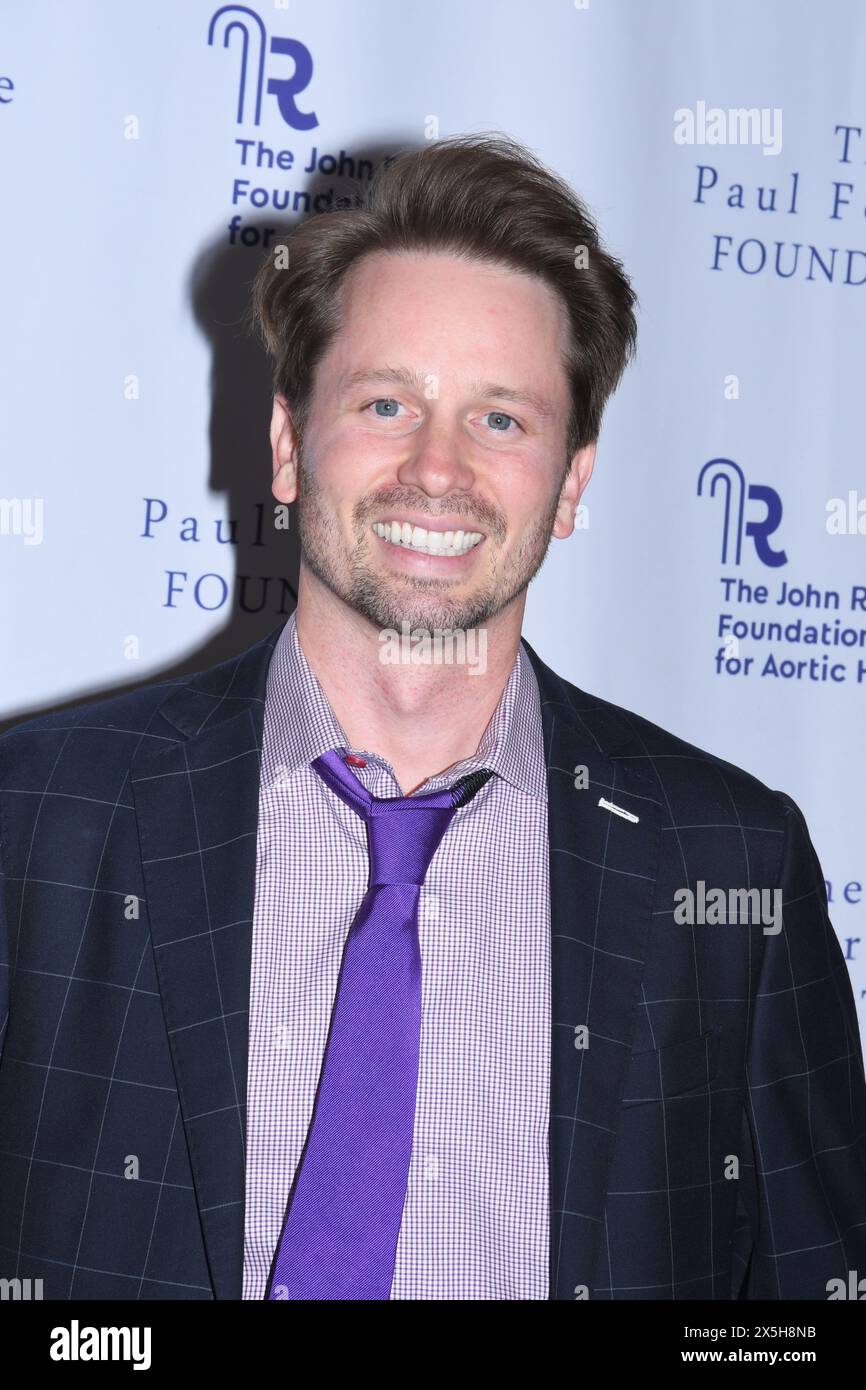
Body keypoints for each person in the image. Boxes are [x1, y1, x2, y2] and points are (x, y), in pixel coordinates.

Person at [1, 133, 864, 1302]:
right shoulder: (38, 820)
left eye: (501, 420)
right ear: (287, 442)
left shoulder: (727, 864)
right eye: (386, 400)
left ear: (569, 483)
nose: (437, 469)